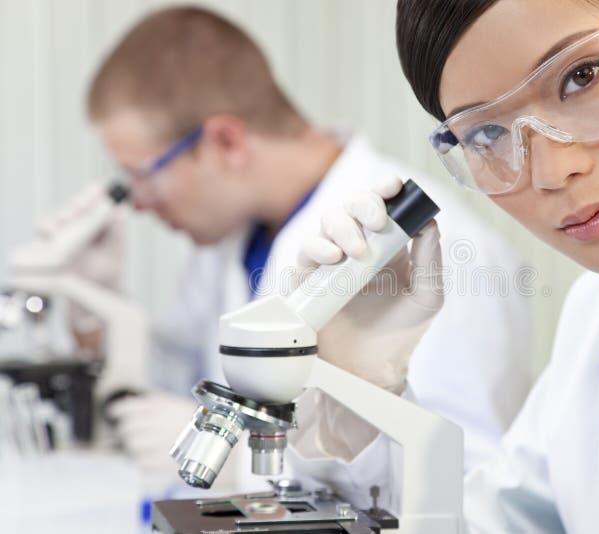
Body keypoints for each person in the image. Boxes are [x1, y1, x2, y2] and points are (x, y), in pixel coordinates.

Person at [294, 0, 599, 531]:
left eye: (582, 76)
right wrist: (359, 400)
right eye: (486, 133)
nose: (553, 171)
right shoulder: (596, 321)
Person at [44, 6, 534, 494]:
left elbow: (470, 480)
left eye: (143, 177)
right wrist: (93, 305)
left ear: (225, 142)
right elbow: (168, 391)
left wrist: (258, 470)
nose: (140, 204)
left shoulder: (431, 247)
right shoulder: (229, 239)